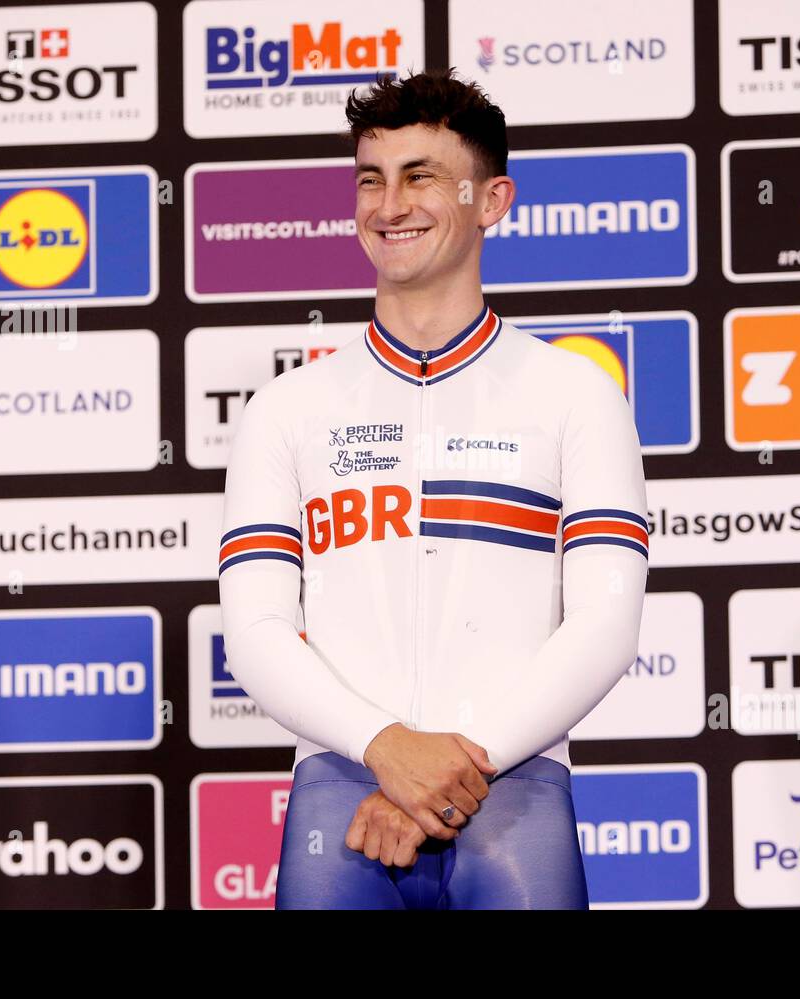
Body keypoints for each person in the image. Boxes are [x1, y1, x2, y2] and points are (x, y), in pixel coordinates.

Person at [218, 69, 649, 909]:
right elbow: (256, 630)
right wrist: (383, 746)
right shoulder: (286, 408)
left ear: (492, 201)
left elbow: (605, 624)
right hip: (341, 786)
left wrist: (445, 767)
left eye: (420, 176)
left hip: (512, 781)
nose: (389, 205)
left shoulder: (576, 392)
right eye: (370, 180)